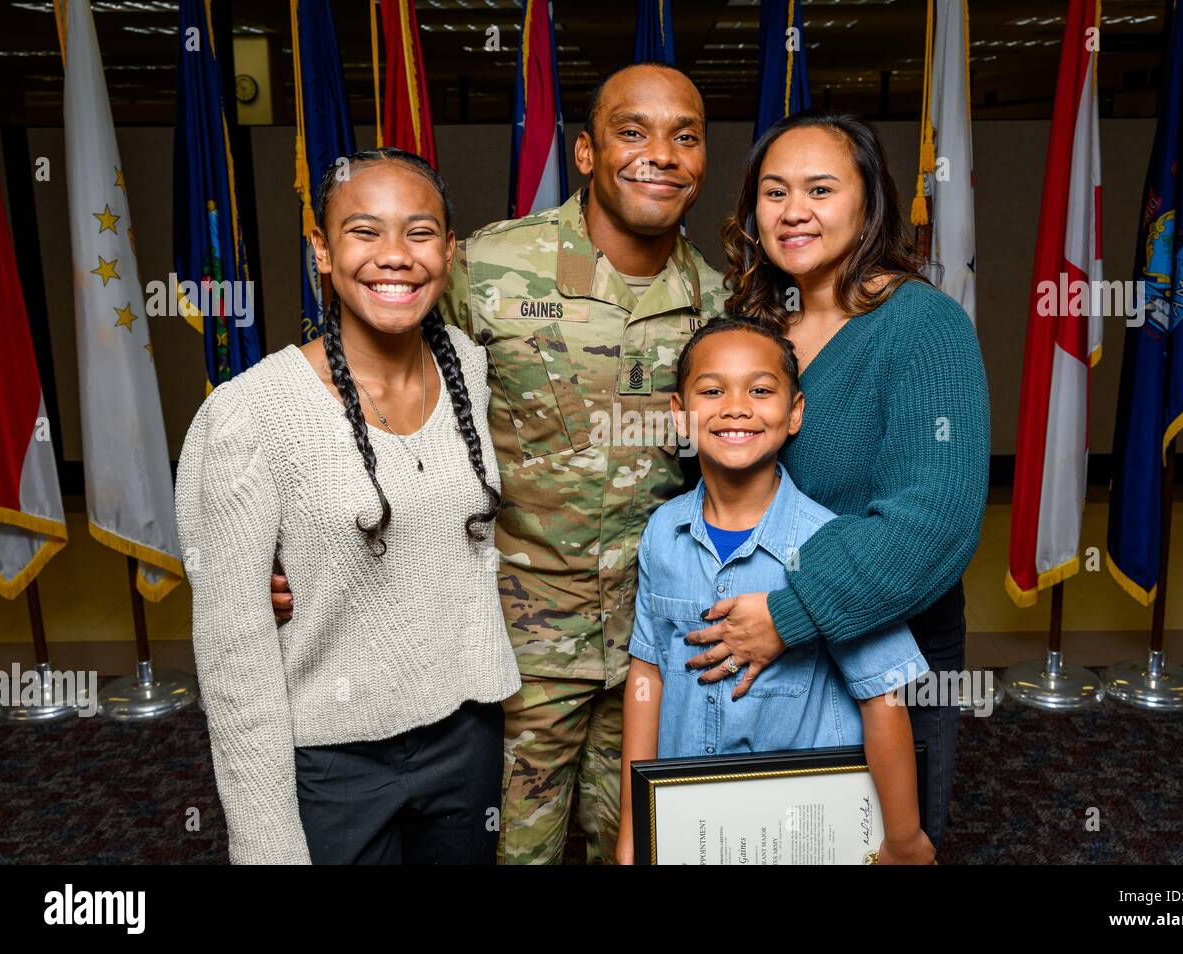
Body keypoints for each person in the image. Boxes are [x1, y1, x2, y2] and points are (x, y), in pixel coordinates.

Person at [270, 62, 727, 864]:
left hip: (661, 643)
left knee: (651, 846)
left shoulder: (723, 305)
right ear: (585, 153)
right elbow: (376, 391)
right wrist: (297, 542)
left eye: (683, 137)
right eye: (632, 132)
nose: (659, 154)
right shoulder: (486, 270)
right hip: (514, 650)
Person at [176, 147, 520, 864]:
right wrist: (265, 840)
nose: (395, 256)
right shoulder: (252, 413)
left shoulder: (474, 368)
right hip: (332, 762)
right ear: (323, 252)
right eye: (364, 232)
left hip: (467, 741)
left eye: (420, 233)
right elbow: (233, 649)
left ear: (450, 253)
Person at [684, 111, 990, 852]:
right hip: (747, 637)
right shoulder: (750, 322)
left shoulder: (924, 326)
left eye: (821, 189)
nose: (794, 212)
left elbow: (932, 523)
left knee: (876, 845)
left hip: (885, 646)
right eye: (774, 191)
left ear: (869, 201)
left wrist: (788, 613)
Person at [617, 318, 935, 865]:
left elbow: (884, 698)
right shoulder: (661, 535)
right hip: (689, 826)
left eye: (760, 390)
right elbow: (647, 672)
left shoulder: (834, 548)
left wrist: (903, 839)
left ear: (794, 414)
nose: (736, 407)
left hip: (804, 830)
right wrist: (632, 833)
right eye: (712, 390)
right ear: (679, 415)